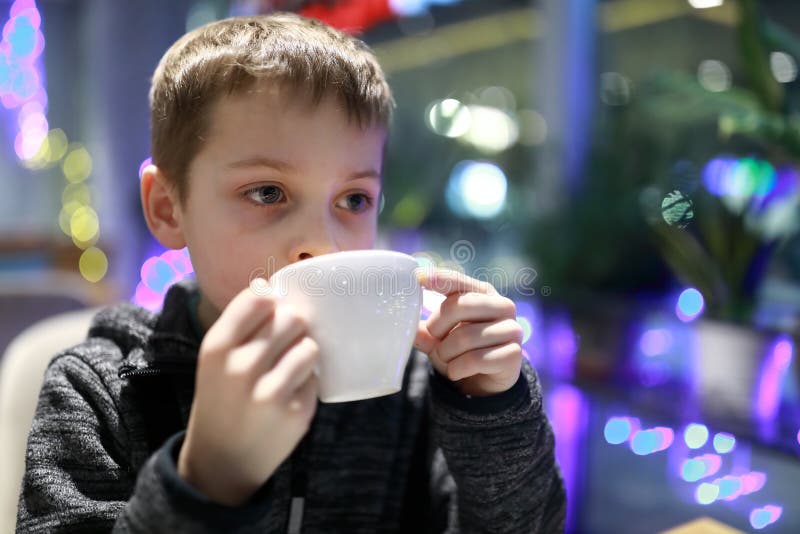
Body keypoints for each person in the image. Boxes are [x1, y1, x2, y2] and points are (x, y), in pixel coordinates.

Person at [16, 12, 565, 533]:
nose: (322, 245)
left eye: (354, 199)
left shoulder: (417, 389)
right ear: (167, 207)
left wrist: (494, 411)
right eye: (268, 192)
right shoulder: (99, 391)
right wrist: (208, 477)